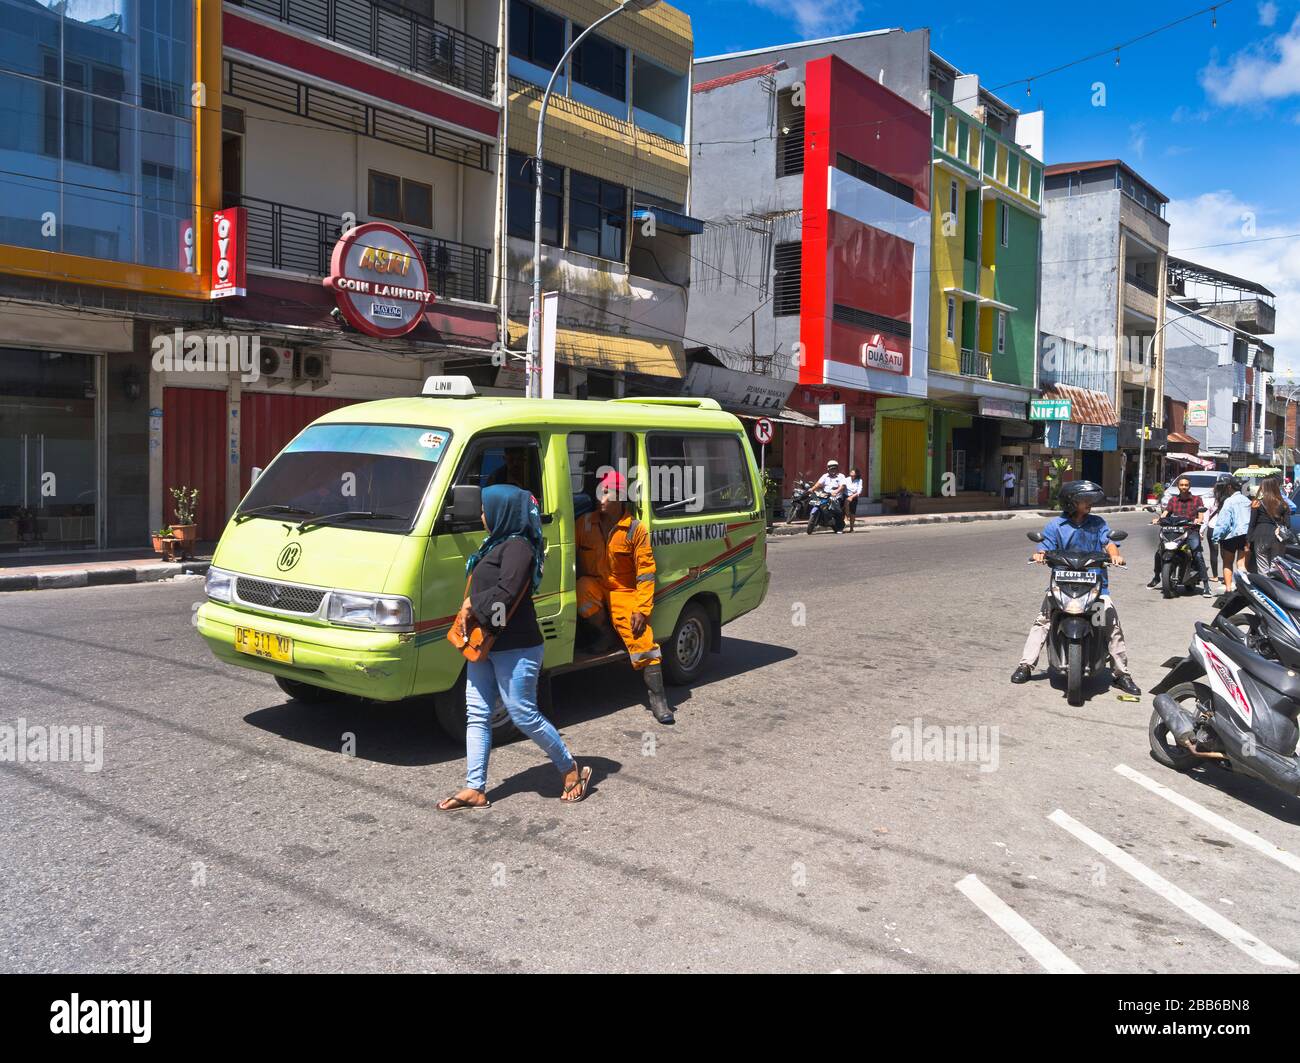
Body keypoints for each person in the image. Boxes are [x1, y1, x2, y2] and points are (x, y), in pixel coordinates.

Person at [438, 484, 590, 810]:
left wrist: (470, 606)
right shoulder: (494, 544)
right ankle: (475, 787)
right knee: (477, 713)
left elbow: (506, 594)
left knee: (522, 715)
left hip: (517, 647)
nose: (481, 514)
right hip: (486, 644)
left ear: (503, 512)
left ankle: (569, 767)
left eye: (486, 508)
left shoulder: (519, 547)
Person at [1010, 480, 1140, 696]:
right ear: (1071, 502)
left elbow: (1108, 542)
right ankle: (1025, 665)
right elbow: (1045, 546)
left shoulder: (1097, 523)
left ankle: (1121, 673)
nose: (1089, 503)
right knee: (1043, 620)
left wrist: (1115, 556)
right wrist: (1040, 554)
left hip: (1096, 586)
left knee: (1111, 623)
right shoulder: (1055, 526)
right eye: (1084, 499)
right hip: (1062, 585)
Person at [576, 469, 673, 724]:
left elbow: (646, 573)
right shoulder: (585, 523)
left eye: (606, 493)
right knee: (581, 588)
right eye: (600, 492)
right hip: (597, 584)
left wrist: (642, 609)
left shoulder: (635, 529)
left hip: (624, 591)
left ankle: (658, 698)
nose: (601, 498)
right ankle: (605, 634)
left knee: (641, 637)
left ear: (620, 496)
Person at [1146, 475, 1212, 598]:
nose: (1184, 487)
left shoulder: (1197, 500)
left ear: (1189, 486)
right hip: (1173, 531)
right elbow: (1165, 513)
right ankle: (1156, 577)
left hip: (1191, 530)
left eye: (1186, 485)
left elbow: (1201, 515)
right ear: (1178, 486)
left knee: (1197, 554)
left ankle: (1206, 585)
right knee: (1159, 552)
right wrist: (1158, 519)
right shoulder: (1173, 500)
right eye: (1181, 485)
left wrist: (1198, 520)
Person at [1210, 475, 1251, 600]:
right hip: (1245, 535)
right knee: (1241, 563)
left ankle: (1228, 590)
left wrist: (1216, 537)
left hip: (1230, 537)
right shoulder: (1247, 501)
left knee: (1227, 563)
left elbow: (1224, 522)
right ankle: (1241, 589)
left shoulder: (1229, 501)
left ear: (1229, 487)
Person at [1246, 474, 1293, 575]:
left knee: (1262, 568)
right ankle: (1276, 588)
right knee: (1276, 567)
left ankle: (1266, 587)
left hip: (1260, 536)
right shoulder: (1283, 504)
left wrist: (1248, 540)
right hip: (1278, 537)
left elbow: (1252, 523)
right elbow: (1288, 525)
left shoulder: (1257, 503)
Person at [810, 459, 847, 532]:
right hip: (825, 495)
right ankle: (820, 519)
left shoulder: (841, 476)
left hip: (836, 497)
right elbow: (819, 483)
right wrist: (812, 489)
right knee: (816, 503)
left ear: (837, 468)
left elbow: (842, 486)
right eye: (831, 468)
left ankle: (839, 527)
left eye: (834, 468)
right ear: (828, 468)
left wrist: (836, 491)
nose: (833, 470)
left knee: (837, 511)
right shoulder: (825, 476)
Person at [843, 466, 863, 532]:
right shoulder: (846, 479)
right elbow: (842, 486)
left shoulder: (859, 480)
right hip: (846, 495)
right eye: (851, 475)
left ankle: (851, 528)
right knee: (846, 501)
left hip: (854, 497)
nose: (852, 477)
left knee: (853, 513)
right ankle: (846, 516)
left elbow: (859, 491)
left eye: (854, 475)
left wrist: (852, 496)